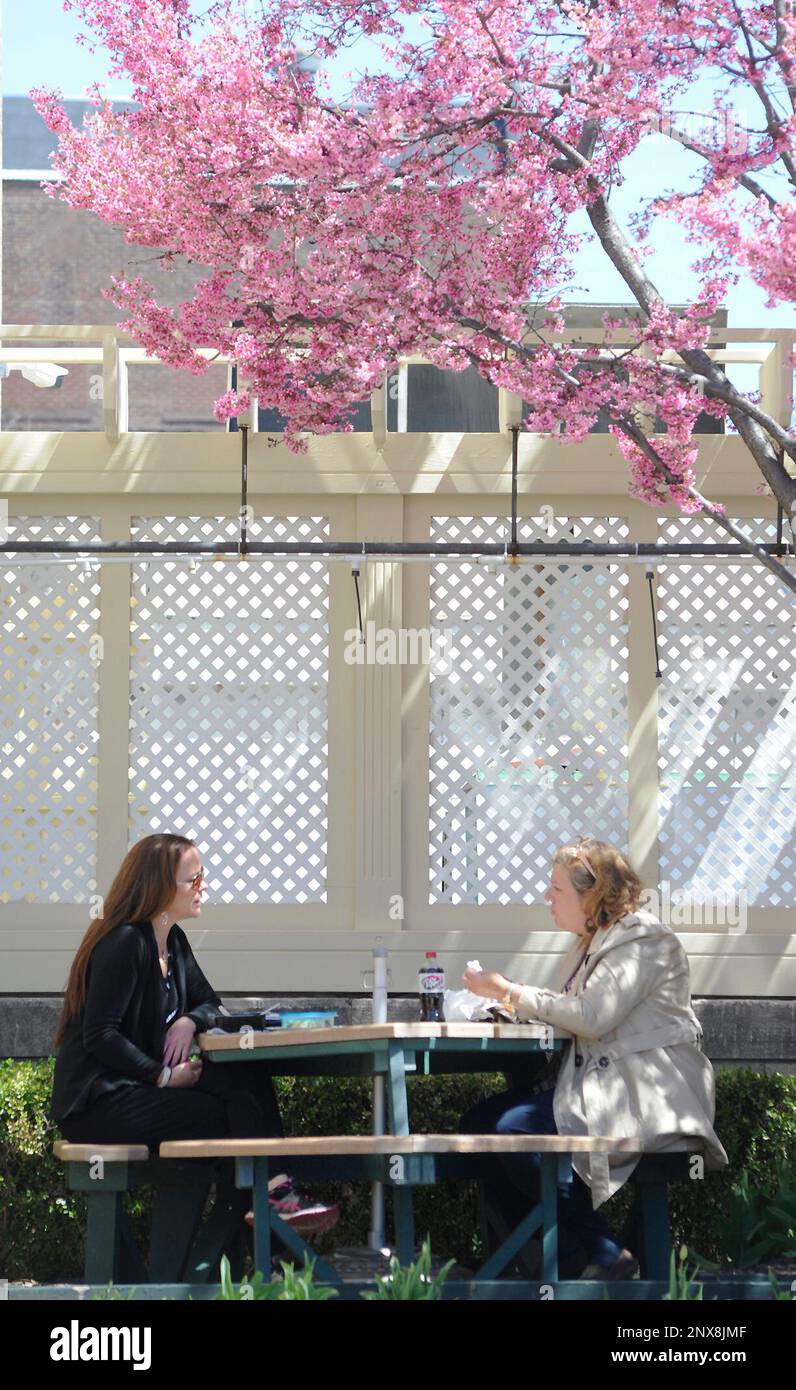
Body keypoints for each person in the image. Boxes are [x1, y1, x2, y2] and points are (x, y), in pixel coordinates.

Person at [460, 838, 729, 1280]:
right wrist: (512, 1008)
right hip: (603, 1085)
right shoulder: (591, 942)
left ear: (593, 894)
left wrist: (510, 990)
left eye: (557, 888)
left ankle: (602, 1252)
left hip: (645, 1097)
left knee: (515, 1129)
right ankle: (560, 1254)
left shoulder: (642, 941)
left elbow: (592, 1015)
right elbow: (577, 1016)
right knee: (478, 1124)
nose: (547, 896)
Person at [52, 832, 338, 1238]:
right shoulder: (126, 943)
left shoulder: (174, 942)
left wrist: (188, 1020)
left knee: (245, 1079)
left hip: (138, 1091)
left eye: (202, 875)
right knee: (234, 1122)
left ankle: (270, 1208)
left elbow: (212, 1005)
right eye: (193, 879)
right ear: (159, 886)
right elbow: (101, 1035)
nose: (203, 886)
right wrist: (163, 1075)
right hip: (99, 1104)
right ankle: (252, 1240)